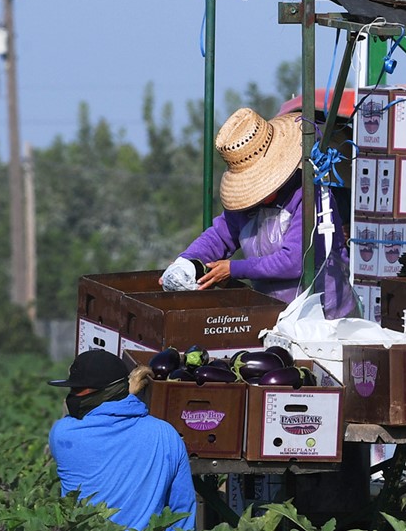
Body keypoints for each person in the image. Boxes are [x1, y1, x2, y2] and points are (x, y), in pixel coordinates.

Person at [169, 108, 357, 319]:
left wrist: (233, 269)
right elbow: (219, 236)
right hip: (273, 315)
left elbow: (294, 261)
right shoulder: (245, 206)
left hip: (324, 318)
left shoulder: (310, 198)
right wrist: (185, 262)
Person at [48, 350, 197, 531]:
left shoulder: (63, 434)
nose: (72, 396)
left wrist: (128, 394)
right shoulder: (166, 435)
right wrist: (127, 396)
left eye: (77, 390)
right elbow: (182, 509)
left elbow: (70, 411)